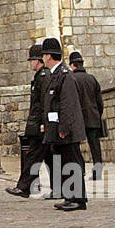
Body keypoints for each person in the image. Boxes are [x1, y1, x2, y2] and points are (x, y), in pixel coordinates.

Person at [40, 38, 87, 211]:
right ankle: (70, 196)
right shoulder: (56, 74)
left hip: (67, 129)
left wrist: (64, 127)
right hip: (58, 127)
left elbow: (68, 104)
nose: (43, 59)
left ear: (48, 56)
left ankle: (78, 198)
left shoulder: (65, 75)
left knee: (72, 162)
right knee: (65, 163)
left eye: (44, 55)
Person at [6, 44, 50, 199]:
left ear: (37, 61)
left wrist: (43, 123)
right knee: (46, 158)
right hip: (38, 123)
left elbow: (44, 102)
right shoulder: (40, 77)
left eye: (31, 60)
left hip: (39, 125)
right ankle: (49, 187)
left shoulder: (43, 76)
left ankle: (24, 187)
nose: (30, 63)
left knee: (33, 157)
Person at [69, 51, 105, 181]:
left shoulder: (71, 79)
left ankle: (80, 170)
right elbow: (100, 102)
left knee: (75, 145)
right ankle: (98, 171)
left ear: (73, 65)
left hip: (78, 119)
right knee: (95, 147)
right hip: (93, 117)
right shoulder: (92, 79)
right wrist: (97, 114)